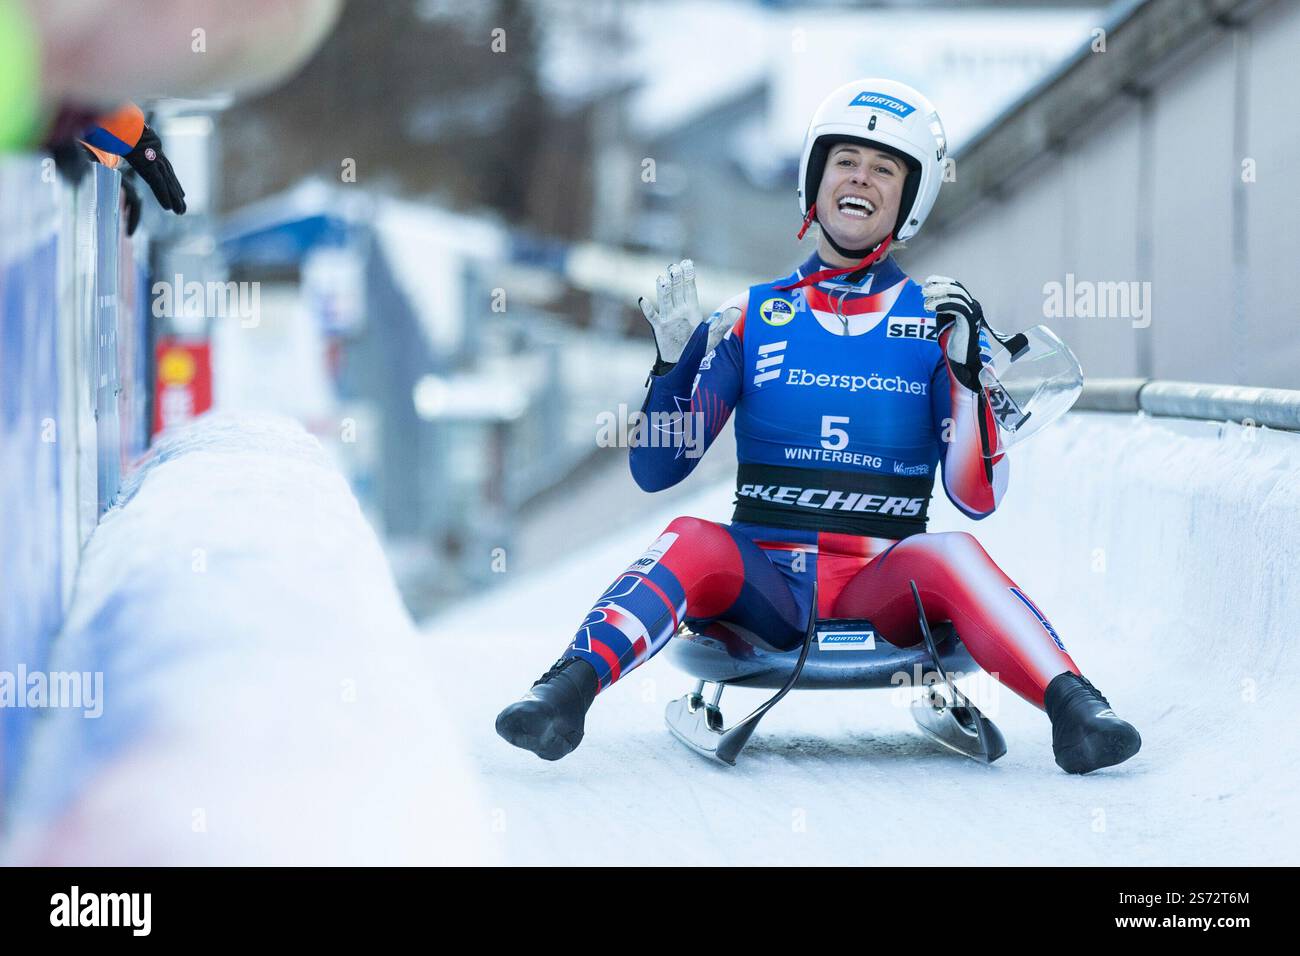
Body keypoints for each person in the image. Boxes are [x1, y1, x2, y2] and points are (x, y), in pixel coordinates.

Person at [495, 78, 1141, 775]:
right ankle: (563, 694)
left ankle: (1079, 712)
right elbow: (660, 470)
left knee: (953, 553)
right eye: (846, 161)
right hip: (762, 584)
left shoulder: (939, 321)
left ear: (909, 198)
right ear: (816, 180)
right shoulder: (753, 313)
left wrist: (961, 376)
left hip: (882, 585)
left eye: (884, 167)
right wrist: (674, 366)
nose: (861, 177)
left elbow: (976, 497)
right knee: (689, 537)